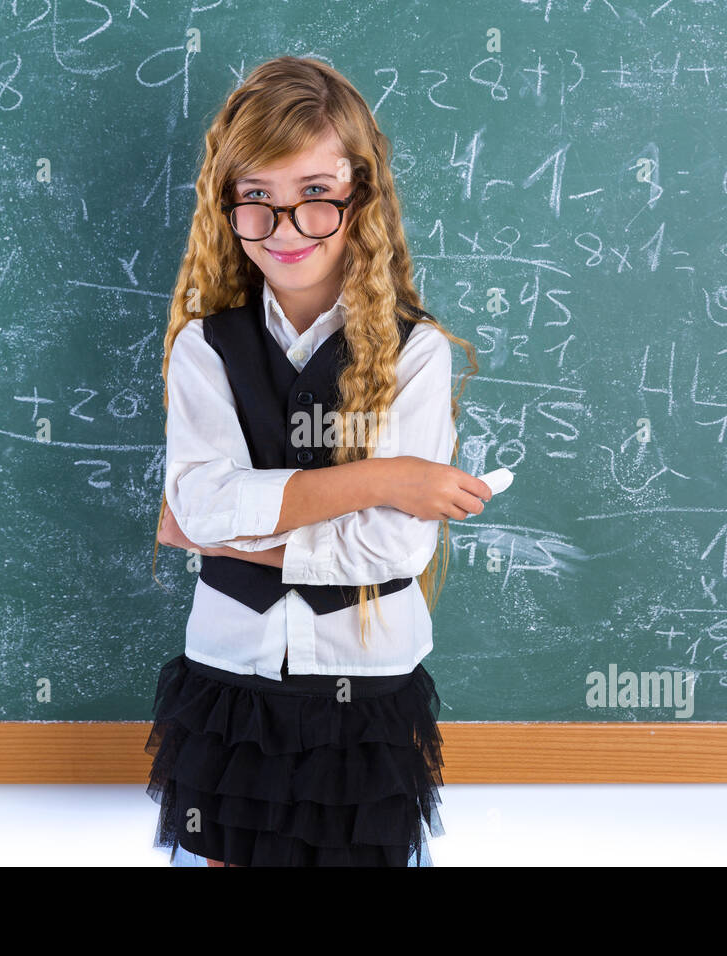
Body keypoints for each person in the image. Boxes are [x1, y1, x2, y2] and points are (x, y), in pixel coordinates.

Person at [147, 55, 491, 866]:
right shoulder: (206, 347)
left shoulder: (416, 355)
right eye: (257, 202)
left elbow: (393, 549)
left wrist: (230, 537)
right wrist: (384, 481)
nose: (287, 231)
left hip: (366, 685)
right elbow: (199, 503)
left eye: (315, 200)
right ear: (227, 206)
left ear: (359, 197)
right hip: (229, 679)